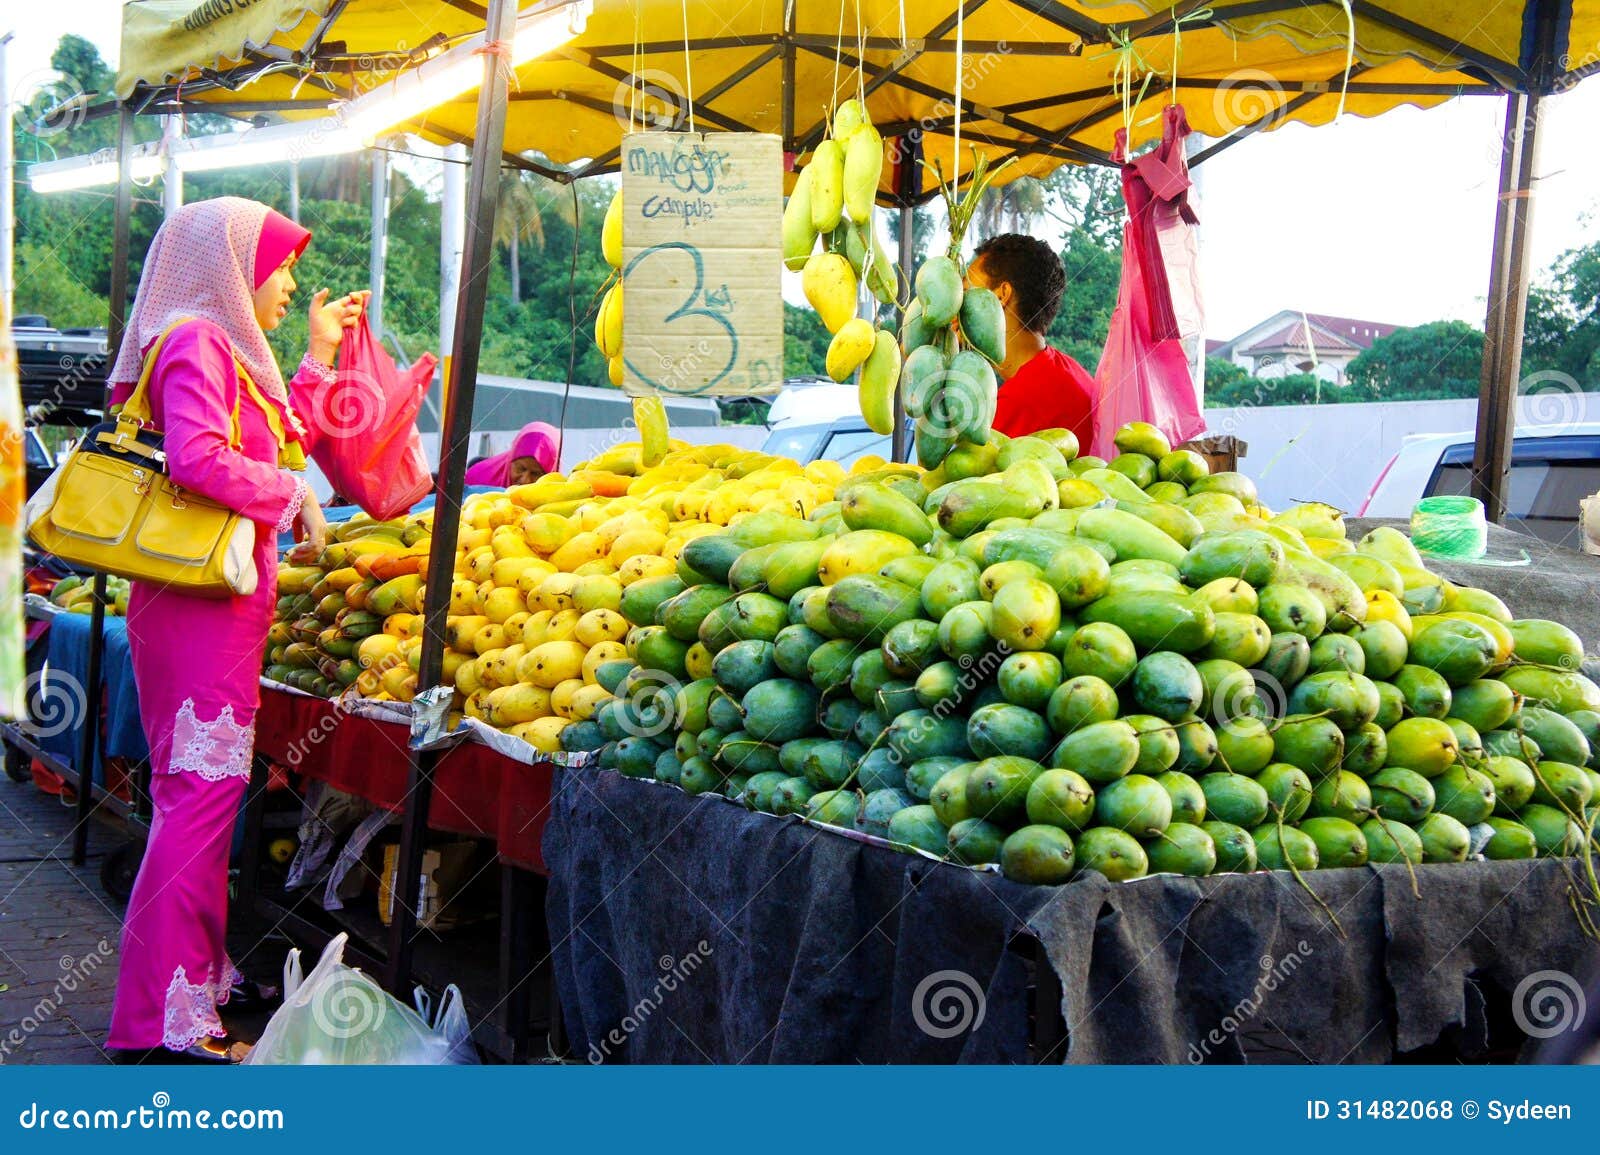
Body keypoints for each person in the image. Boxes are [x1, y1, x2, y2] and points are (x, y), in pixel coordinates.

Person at [104, 197, 365, 1063]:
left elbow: (277, 440)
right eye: (279, 267)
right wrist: (292, 498)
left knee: (206, 800)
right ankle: (161, 1022)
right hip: (195, 608)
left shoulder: (224, 350)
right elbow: (198, 459)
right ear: (230, 269)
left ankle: (195, 979)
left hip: (223, 608)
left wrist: (320, 358)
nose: (291, 285)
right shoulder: (195, 339)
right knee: (198, 799)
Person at [966, 233, 1097, 451]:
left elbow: (951, 481)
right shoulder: (1067, 370)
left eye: (966, 290)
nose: (957, 306)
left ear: (1001, 295)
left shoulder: (1019, 402)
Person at [463, 421, 561, 487]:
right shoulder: (476, 480)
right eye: (521, 469)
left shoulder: (558, 498)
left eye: (536, 473)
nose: (525, 481)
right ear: (511, 460)